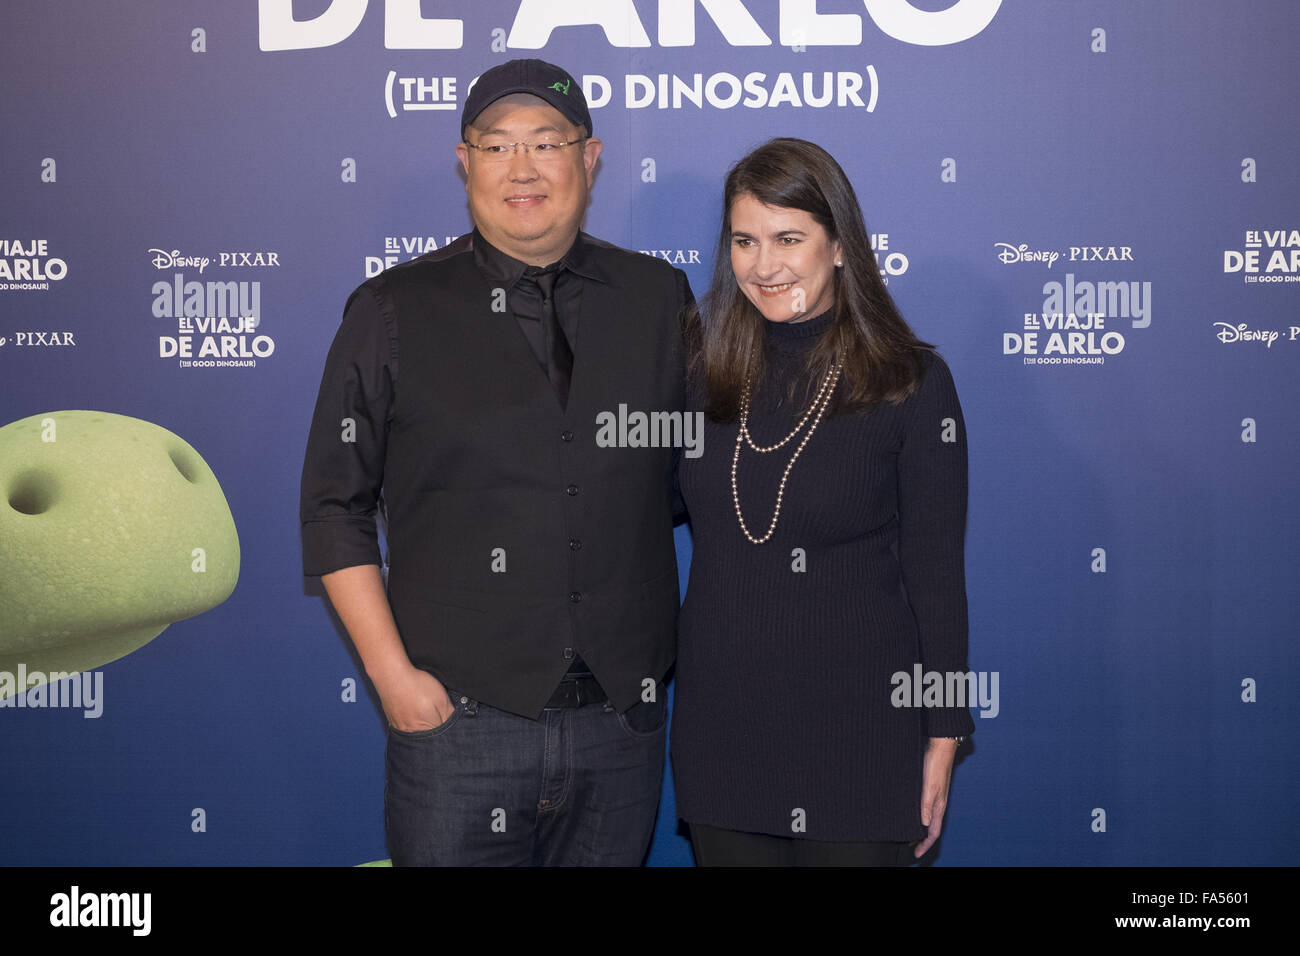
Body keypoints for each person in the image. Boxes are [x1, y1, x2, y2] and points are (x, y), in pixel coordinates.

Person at [299, 58, 692, 866]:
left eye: (547, 142)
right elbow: (334, 507)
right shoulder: (391, 309)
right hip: (458, 726)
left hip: (621, 726)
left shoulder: (659, 299)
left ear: (589, 158)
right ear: (464, 160)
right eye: (497, 145)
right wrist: (395, 682)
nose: (523, 168)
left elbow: (705, 483)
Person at [671, 138, 974, 866]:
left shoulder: (910, 382)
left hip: (862, 734)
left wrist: (944, 732)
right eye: (744, 240)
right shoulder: (699, 374)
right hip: (724, 732)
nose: (763, 265)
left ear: (839, 245)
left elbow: (935, 572)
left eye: (788, 239)